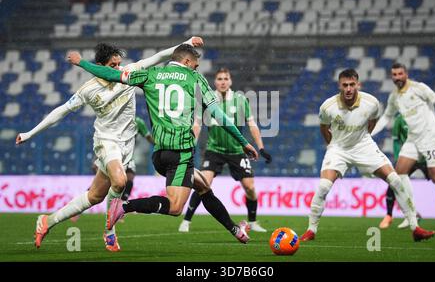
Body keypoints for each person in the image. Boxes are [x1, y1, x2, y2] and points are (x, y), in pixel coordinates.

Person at [17, 37, 202, 251]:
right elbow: (61, 111)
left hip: (126, 145)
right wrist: (30, 133)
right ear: (101, 67)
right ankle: (110, 230)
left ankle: (47, 221)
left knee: (94, 196)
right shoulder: (89, 89)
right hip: (106, 142)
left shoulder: (129, 73)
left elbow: (159, 56)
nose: (117, 68)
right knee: (121, 181)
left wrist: (185, 43)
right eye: (112, 65)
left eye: (118, 64)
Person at [68, 43, 259, 244]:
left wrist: (82, 63)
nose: (196, 68)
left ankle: (235, 229)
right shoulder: (195, 79)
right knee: (175, 207)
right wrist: (243, 141)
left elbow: (111, 74)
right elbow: (218, 115)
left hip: (159, 154)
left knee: (203, 186)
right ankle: (124, 207)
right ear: (186, 61)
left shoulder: (151, 74)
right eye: (195, 64)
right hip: (180, 154)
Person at [299, 69, 435, 242]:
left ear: (358, 84)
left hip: (364, 146)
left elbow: (372, 121)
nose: (348, 89)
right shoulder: (328, 106)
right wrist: (332, 144)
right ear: (339, 86)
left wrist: (363, 138)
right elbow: (324, 127)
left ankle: (415, 228)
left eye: (351, 85)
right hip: (339, 149)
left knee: (395, 180)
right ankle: (311, 230)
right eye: (345, 85)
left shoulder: (371, 102)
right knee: (324, 187)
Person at [178, 67, 272, 233]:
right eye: (219, 79)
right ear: (215, 82)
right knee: (202, 182)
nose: (222, 82)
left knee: (250, 187)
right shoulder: (207, 99)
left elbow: (251, 124)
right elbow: (197, 123)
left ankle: (253, 221)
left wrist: (261, 147)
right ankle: (186, 221)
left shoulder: (240, 100)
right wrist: (191, 143)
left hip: (236, 150)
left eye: (225, 79)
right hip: (214, 150)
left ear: (230, 81)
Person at [371, 62, 435, 231]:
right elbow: (386, 117)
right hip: (414, 139)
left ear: (406, 74)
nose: (397, 77)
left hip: (431, 136)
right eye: (394, 75)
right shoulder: (394, 97)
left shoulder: (419, 88)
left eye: (400, 74)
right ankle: (412, 214)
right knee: (399, 172)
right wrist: (368, 134)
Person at [379, 115, 435, 229]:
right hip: (410, 156)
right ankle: (401, 215)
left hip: (426, 156)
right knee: (395, 181)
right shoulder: (399, 119)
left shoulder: (426, 116)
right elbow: (396, 140)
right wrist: (398, 157)